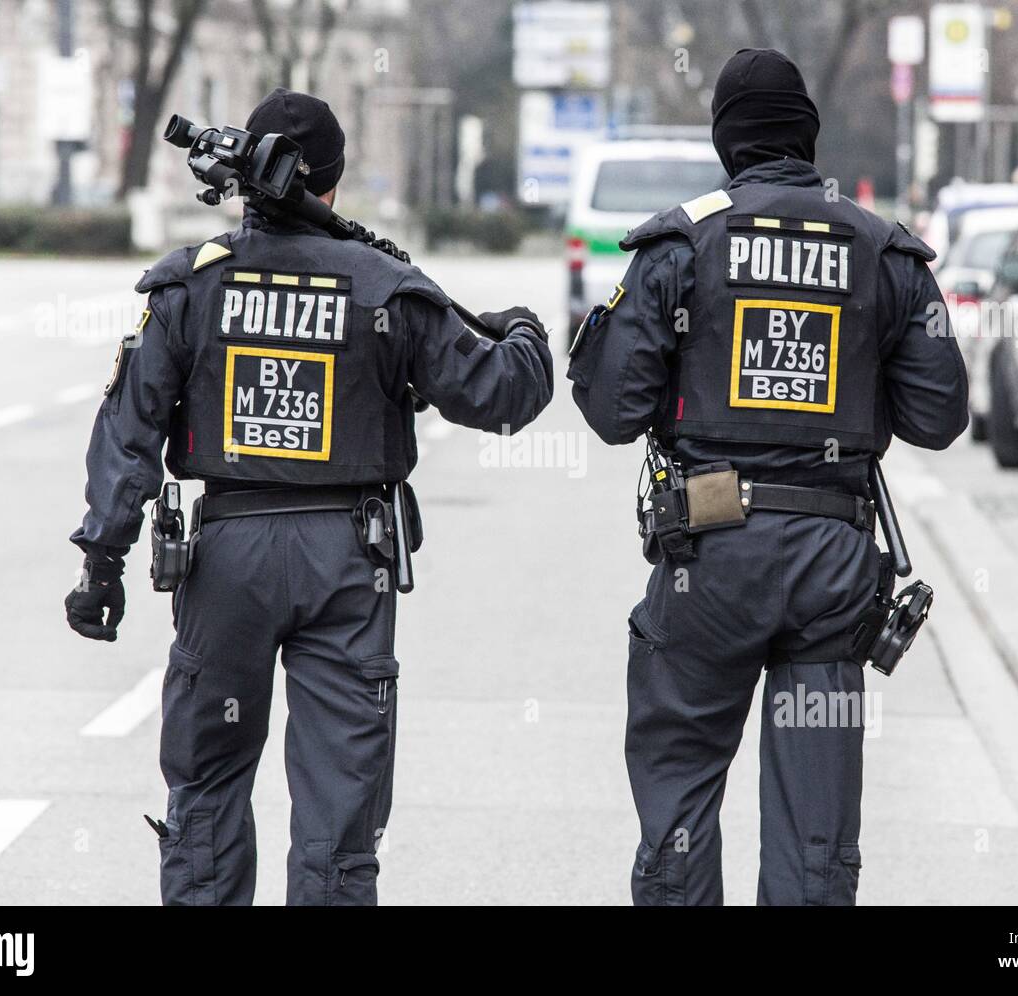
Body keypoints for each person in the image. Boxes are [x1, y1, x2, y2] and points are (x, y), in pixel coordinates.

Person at [64, 88, 553, 905]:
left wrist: (101, 560)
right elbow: (503, 395)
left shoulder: (193, 285)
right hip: (345, 563)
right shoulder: (383, 285)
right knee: (338, 810)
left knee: (207, 790)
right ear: (330, 182)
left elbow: (130, 426)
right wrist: (528, 334)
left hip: (225, 564)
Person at [567, 49, 967, 906]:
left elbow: (610, 411)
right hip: (832, 570)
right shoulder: (884, 250)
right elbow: (939, 418)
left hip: (706, 561)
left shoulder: (680, 242)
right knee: (816, 833)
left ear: (727, 144)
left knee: (679, 795)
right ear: (807, 139)